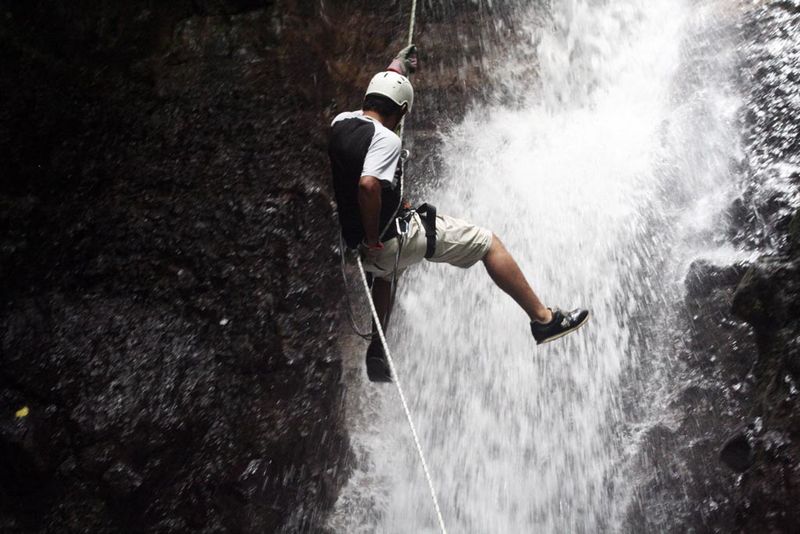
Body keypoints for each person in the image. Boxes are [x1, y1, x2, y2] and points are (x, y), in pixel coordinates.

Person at [329, 45, 589, 382]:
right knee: (488, 243)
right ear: (400, 112)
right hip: (385, 243)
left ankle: (378, 347)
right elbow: (367, 186)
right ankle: (544, 319)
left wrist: (397, 67)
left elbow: (384, 96)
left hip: (357, 247)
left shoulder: (341, 123)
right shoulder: (386, 142)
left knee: (387, 273)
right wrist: (377, 239)